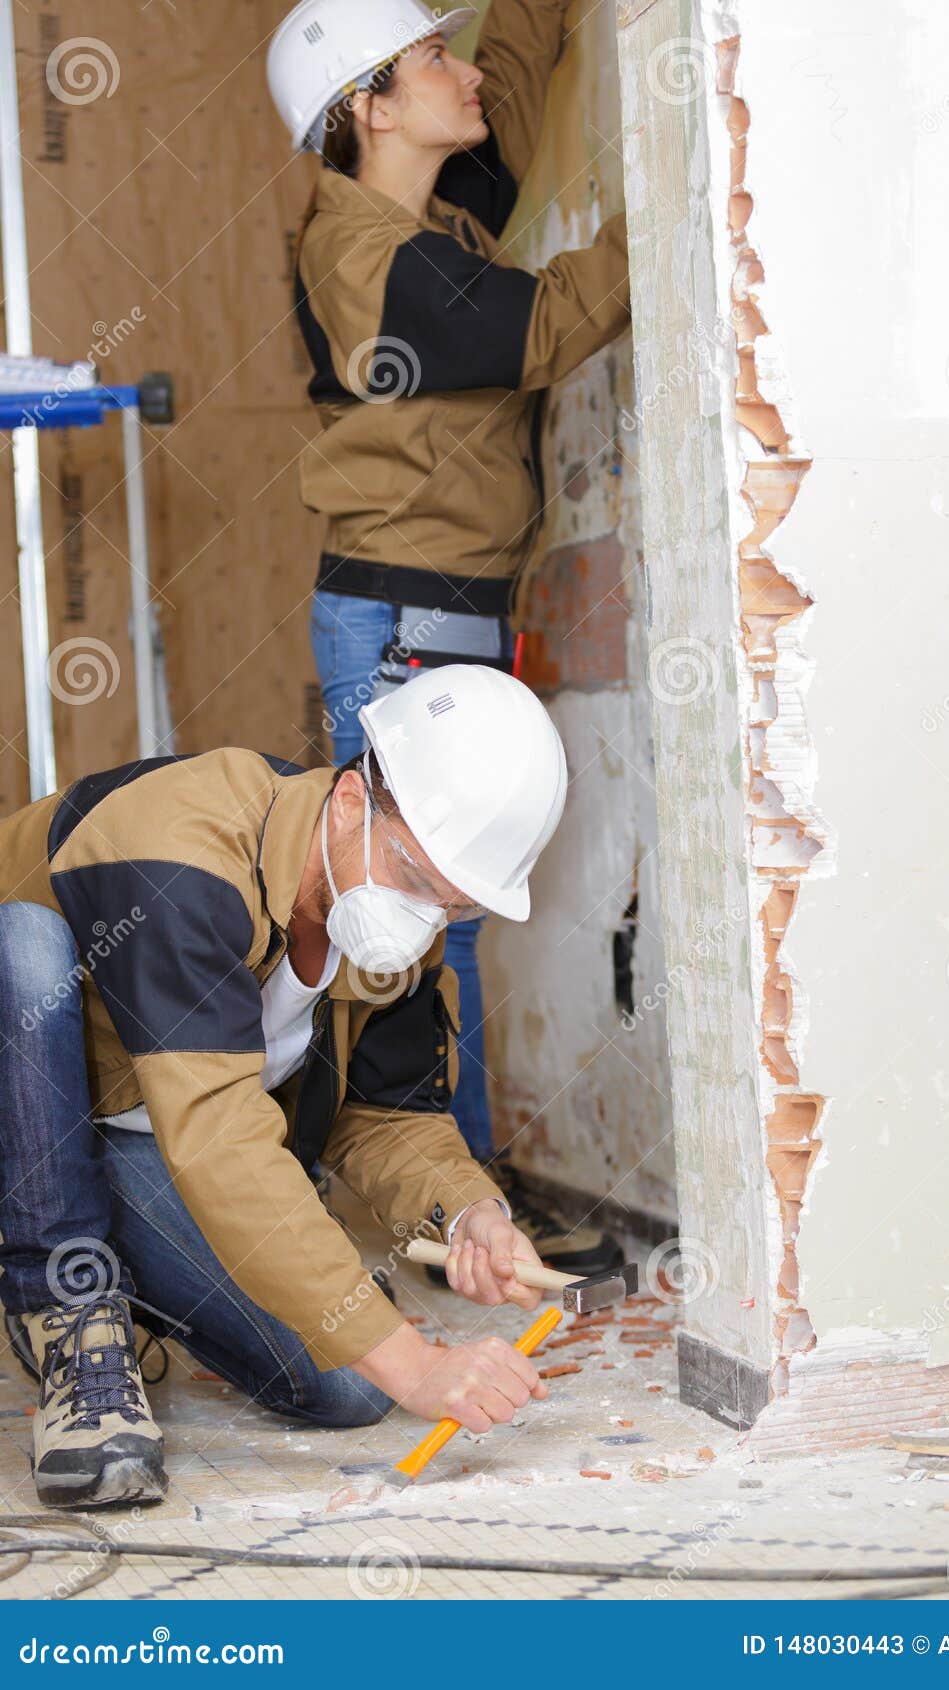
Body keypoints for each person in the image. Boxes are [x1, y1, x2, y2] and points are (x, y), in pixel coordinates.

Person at [0, 667, 564, 1509]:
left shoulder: (391, 930)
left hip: (137, 1129)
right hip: (34, 1106)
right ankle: (63, 1300)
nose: (424, 919)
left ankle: (120, 1274)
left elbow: (387, 1115)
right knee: (21, 943)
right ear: (346, 802)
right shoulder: (182, 847)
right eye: (416, 879)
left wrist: (468, 1211)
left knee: (348, 1385)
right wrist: (418, 1364)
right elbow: (222, 1139)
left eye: (452, 905)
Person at [267, 0, 629, 1277]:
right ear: (365, 105)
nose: (457, 69)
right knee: (425, 920)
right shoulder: (364, 251)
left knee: (440, 917)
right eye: (428, 59)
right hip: (402, 612)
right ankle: (463, 1216)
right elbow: (539, 327)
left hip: (443, 606)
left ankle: (455, 1208)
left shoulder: (431, 216)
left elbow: (510, 89)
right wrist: (684, 224)